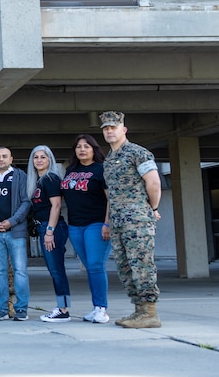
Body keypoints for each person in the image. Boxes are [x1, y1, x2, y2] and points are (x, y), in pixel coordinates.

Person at [100, 111, 163, 329]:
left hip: (136, 220)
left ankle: (149, 312)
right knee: (126, 267)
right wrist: (108, 221)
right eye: (106, 128)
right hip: (118, 222)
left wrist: (152, 208)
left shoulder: (138, 153)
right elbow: (111, 195)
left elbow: (154, 183)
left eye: (113, 127)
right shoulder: (108, 159)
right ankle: (139, 310)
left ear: (123, 130)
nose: (109, 131)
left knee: (142, 265)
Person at [62, 133, 112, 324]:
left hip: (96, 224)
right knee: (90, 268)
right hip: (75, 225)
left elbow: (111, 200)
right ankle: (95, 308)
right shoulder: (70, 170)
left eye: (87, 146)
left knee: (96, 266)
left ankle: (101, 309)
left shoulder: (101, 169)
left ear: (94, 149)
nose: (82, 149)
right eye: (78, 146)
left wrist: (107, 224)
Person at [0, 146, 31, 321]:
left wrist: (12, 221)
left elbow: (26, 202)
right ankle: (2, 309)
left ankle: (21, 309)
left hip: (15, 232)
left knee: (20, 271)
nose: (1, 159)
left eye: (5, 156)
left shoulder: (20, 176)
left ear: (11, 159)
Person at [27, 145, 71, 322]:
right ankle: (63, 307)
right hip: (43, 227)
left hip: (52, 228)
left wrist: (50, 232)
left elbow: (57, 206)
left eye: (43, 157)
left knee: (57, 270)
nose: (39, 160)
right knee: (55, 270)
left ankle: (63, 309)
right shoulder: (37, 180)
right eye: (36, 157)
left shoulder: (50, 178)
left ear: (49, 160)